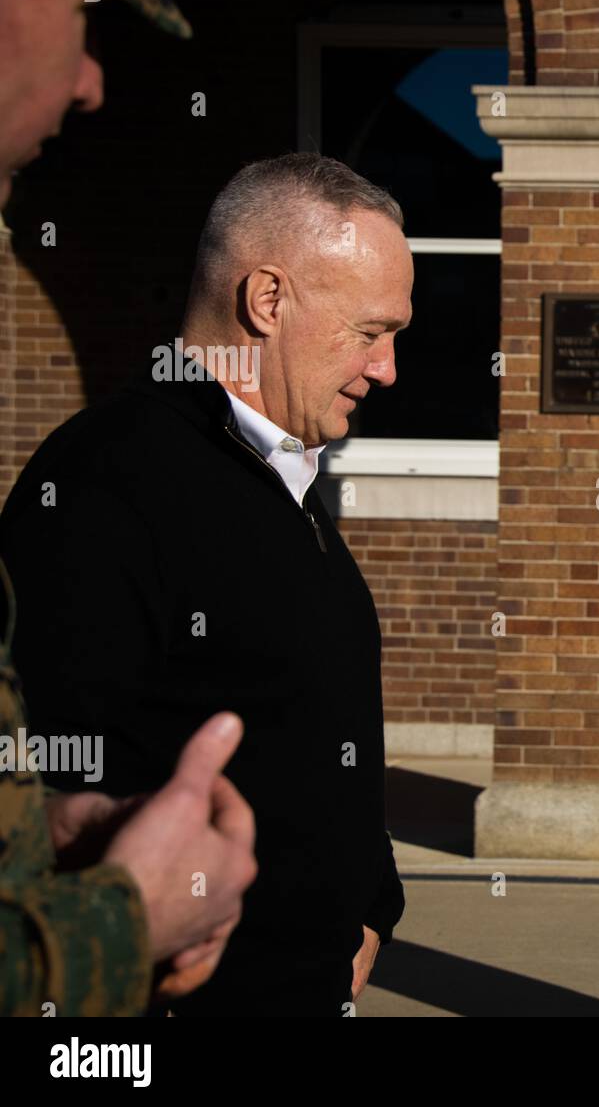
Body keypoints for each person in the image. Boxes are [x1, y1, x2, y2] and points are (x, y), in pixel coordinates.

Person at [0, 151, 412, 1016]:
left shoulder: (277, 475)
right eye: (370, 331)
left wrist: (371, 908)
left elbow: (313, 726)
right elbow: (56, 788)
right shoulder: (102, 482)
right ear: (267, 300)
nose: (387, 370)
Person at [0, 0, 257, 1017]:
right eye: (84, 17)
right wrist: (119, 917)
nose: (95, 80)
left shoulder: (283, 491)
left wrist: (39, 834)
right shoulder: (105, 478)